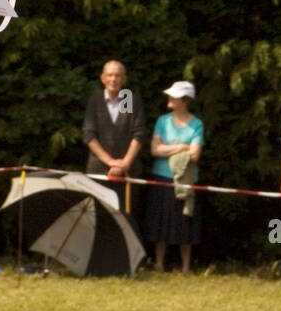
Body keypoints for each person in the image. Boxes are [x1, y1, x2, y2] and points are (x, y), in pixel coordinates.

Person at [144, 80, 204, 274]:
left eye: (174, 95)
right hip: (161, 177)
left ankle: (186, 267)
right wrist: (182, 147)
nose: (169, 98)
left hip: (186, 180)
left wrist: (167, 149)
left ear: (185, 100)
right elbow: (154, 149)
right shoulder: (162, 121)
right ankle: (159, 264)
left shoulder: (197, 124)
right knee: (160, 221)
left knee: (185, 221)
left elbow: (195, 155)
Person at [82, 60, 148, 214]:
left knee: (125, 217)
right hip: (99, 171)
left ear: (124, 79)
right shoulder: (95, 101)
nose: (113, 79)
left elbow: (138, 133)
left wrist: (124, 164)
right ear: (103, 78)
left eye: (117, 75)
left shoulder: (127, 98)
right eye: (110, 75)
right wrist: (111, 162)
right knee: (98, 215)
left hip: (127, 173)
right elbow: (89, 135)